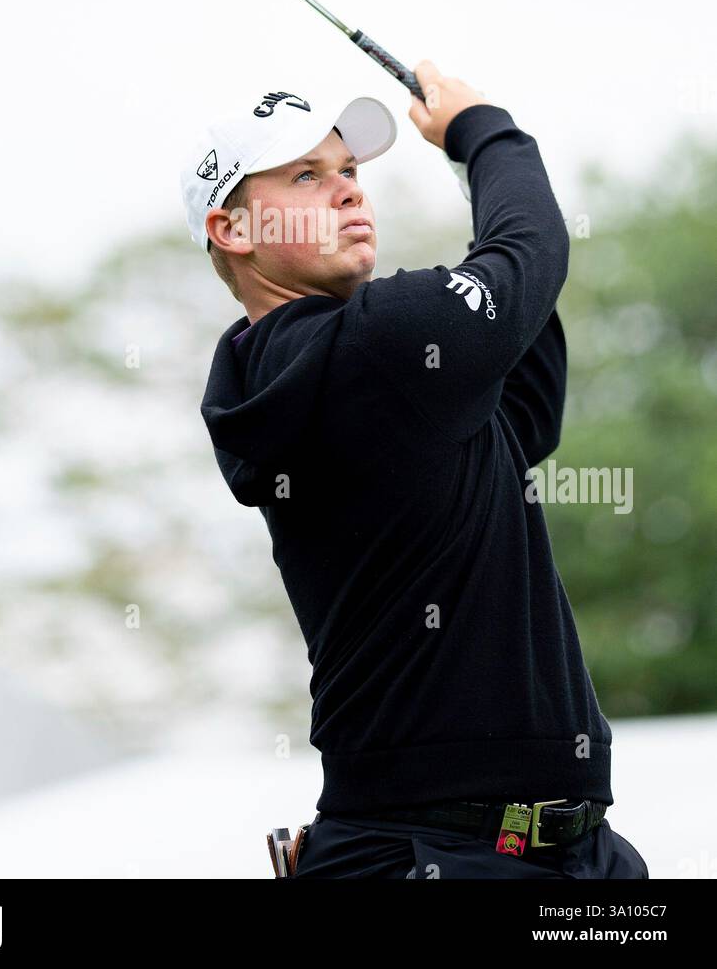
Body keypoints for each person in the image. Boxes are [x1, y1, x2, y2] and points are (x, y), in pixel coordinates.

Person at [179, 62, 649, 879]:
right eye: (307, 176)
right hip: (429, 855)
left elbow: (524, 393)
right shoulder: (365, 345)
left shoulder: (383, 367)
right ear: (234, 231)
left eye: (352, 172)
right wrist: (484, 133)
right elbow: (529, 251)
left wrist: (486, 201)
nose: (351, 192)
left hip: (565, 853)